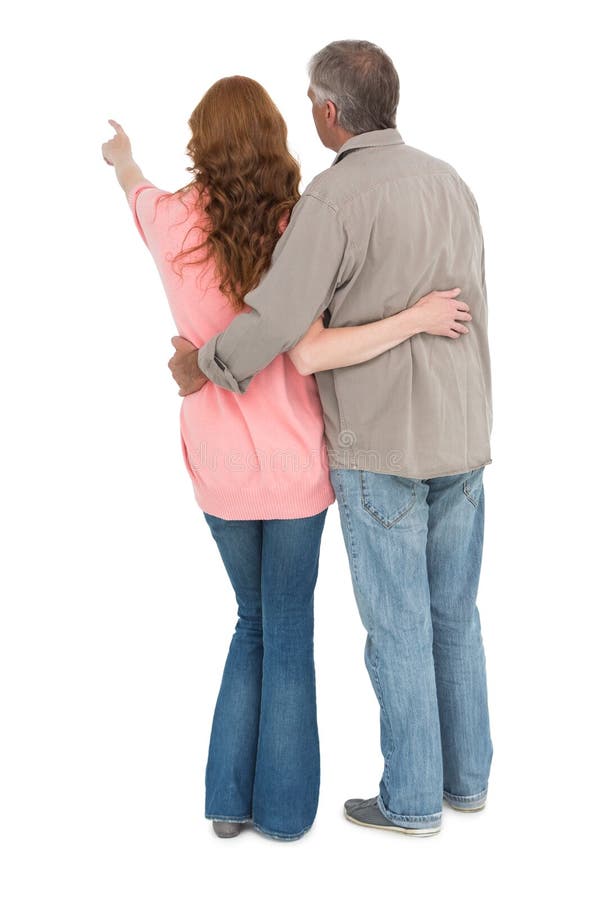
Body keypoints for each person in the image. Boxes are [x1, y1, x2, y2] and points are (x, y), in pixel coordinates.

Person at [101, 76, 471, 841]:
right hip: (301, 463)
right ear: (277, 138)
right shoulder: (299, 224)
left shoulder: (169, 222)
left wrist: (123, 157)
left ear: (200, 143)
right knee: (289, 628)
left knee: (250, 623)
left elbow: (136, 189)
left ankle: (228, 805)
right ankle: (285, 814)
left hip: (219, 465)